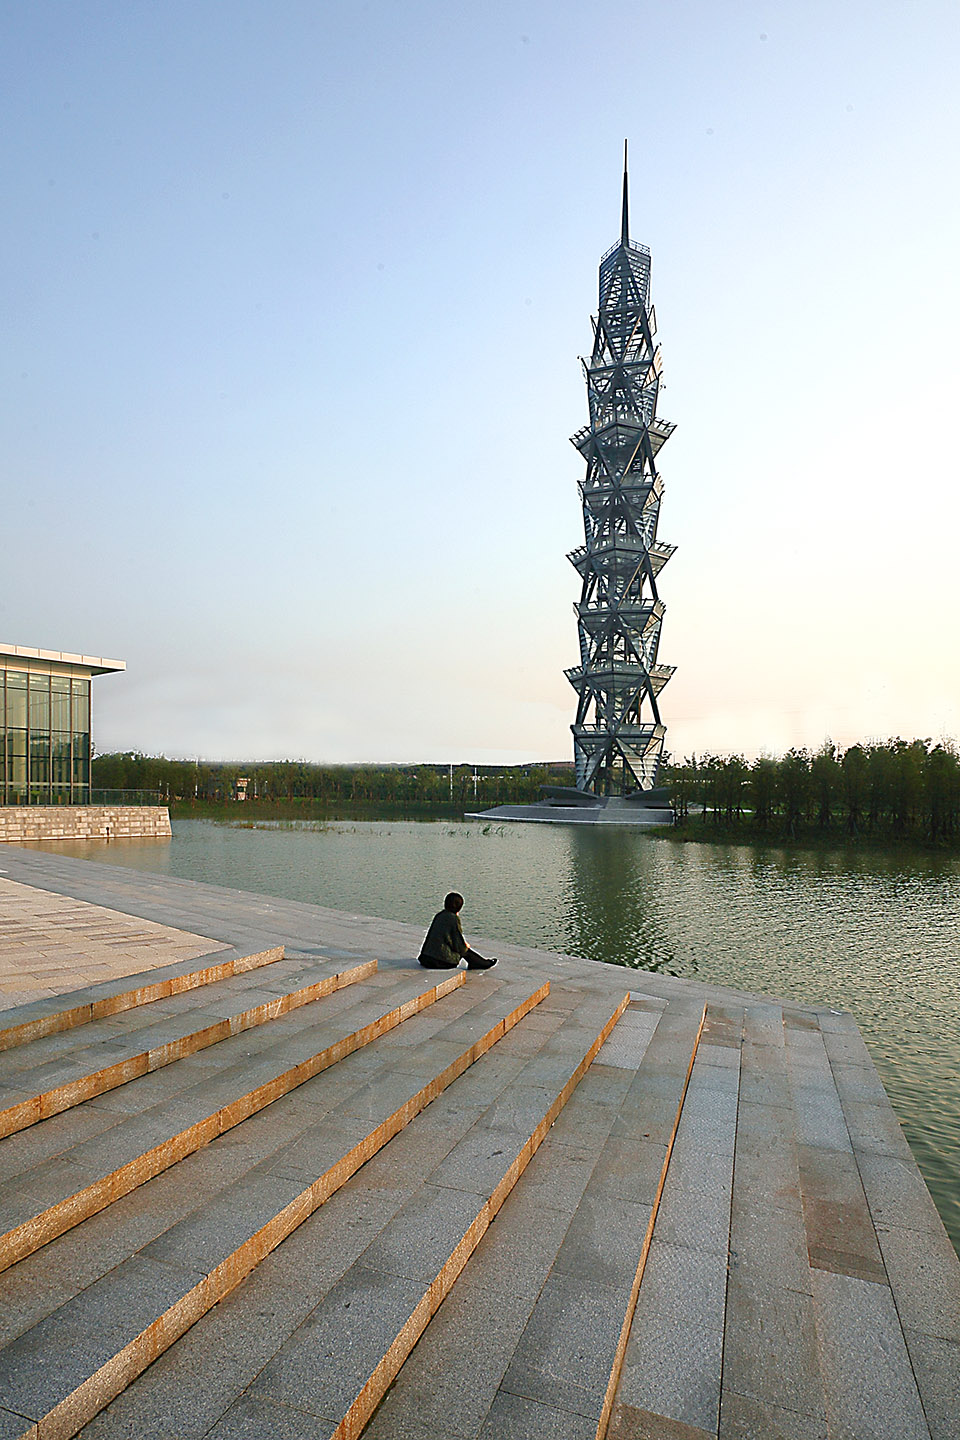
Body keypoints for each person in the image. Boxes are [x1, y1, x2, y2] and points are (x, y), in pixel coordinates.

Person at [418, 892, 498, 971]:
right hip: (440, 962)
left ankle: (481, 962)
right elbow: (458, 944)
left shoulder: (439, 915)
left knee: (462, 948)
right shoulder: (453, 919)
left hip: (425, 958)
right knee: (464, 950)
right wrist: (466, 946)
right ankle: (482, 963)